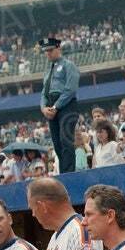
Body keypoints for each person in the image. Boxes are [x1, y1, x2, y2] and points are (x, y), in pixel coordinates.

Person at [39, 36, 80, 174]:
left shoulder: (69, 65)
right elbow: (43, 94)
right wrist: (44, 108)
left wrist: (56, 106)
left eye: (50, 50)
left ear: (58, 48)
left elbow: (71, 88)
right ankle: (64, 173)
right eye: (46, 51)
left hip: (66, 106)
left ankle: (69, 174)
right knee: (57, 144)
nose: (48, 53)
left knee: (66, 140)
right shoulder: (47, 73)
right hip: (51, 108)